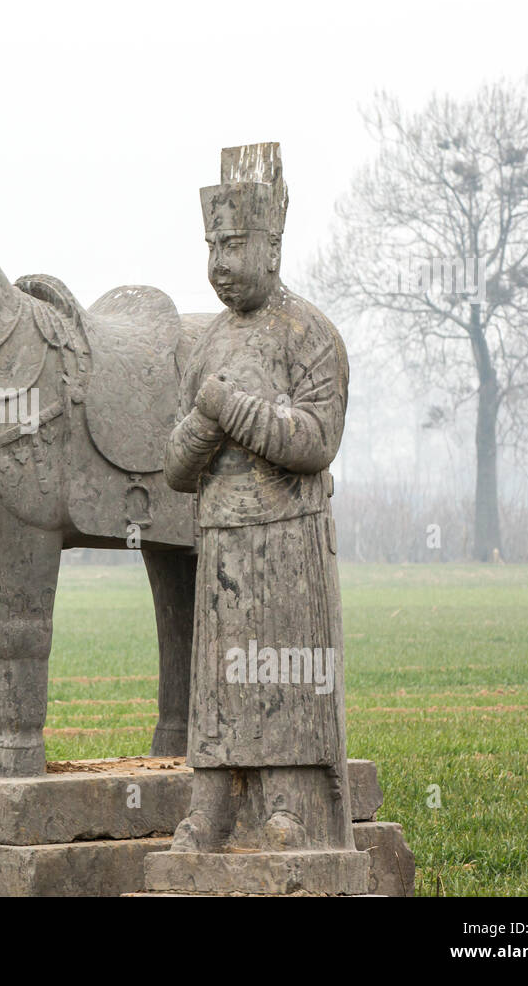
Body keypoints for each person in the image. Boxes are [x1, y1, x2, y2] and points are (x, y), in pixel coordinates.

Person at [164, 143, 354, 852]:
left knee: (287, 679)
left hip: (287, 542)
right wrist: (207, 421)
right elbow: (177, 466)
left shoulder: (309, 333)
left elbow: (315, 440)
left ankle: (290, 810)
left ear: (271, 248)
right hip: (220, 542)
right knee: (219, 690)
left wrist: (236, 412)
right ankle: (210, 809)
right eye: (212, 245)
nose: (219, 261)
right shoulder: (207, 343)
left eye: (234, 244)